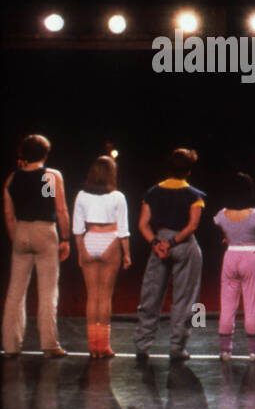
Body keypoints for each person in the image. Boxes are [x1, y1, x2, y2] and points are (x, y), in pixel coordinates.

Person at [135, 147, 206, 363]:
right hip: (184, 245)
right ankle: (177, 347)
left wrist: (158, 244)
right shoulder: (194, 195)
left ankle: (142, 345)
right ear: (189, 171)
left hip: (160, 244)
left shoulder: (152, 192)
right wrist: (173, 242)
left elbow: (142, 224)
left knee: (151, 294)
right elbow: (192, 225)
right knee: (185, 298)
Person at [3, 135, 71, 357]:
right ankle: (49, 344)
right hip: (44, 231)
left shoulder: (12, 178)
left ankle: (11, 345)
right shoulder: (49, 177)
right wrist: (66, 238)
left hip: (21, 230)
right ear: (45, 154)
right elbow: (58, 208)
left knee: (15, 291)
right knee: (48, 289)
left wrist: (17, 238)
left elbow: (9, 213)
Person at [73, 155, 131, 357]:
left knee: (92, 296)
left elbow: (77, 228)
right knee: (105, 296)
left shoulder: (81, 195)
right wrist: (127, 254)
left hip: (89, 239)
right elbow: (123, 229)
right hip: (110, 241)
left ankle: (93, 346)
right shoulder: (118, 197)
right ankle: (103, 346)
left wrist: (81, 253)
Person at [213, 172, 255, 362]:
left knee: (227, 305)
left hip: (230, 256)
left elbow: (225, 235)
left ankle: (225, 351)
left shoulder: (221, 215)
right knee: (252, 306)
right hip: (251, 256)